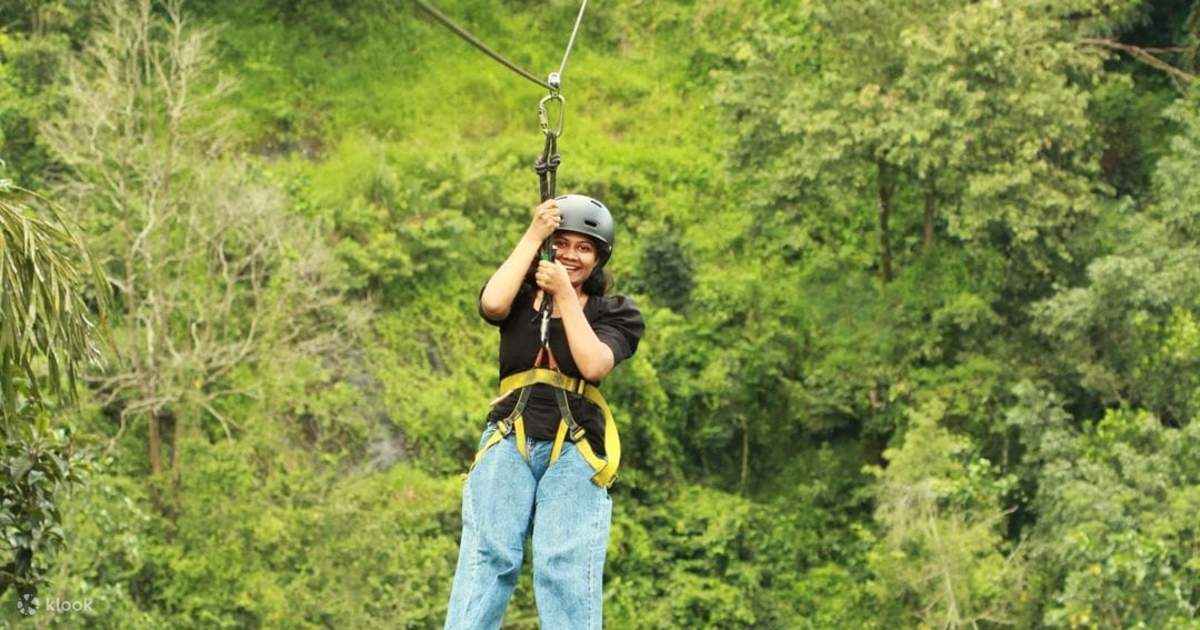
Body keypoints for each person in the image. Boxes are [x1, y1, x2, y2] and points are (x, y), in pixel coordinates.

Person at [444, 194, 645, 630]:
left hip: (577, 447)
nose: (572, 254)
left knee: (563, 565)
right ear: (549, 247)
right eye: (563, 243)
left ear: (598, 259)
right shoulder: (518, 294)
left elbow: (593, 364)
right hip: (509, 433)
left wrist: (565, 296)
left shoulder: (617, 313)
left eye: (584, 248)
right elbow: (492, 305)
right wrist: (535, 233)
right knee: (489, 554)